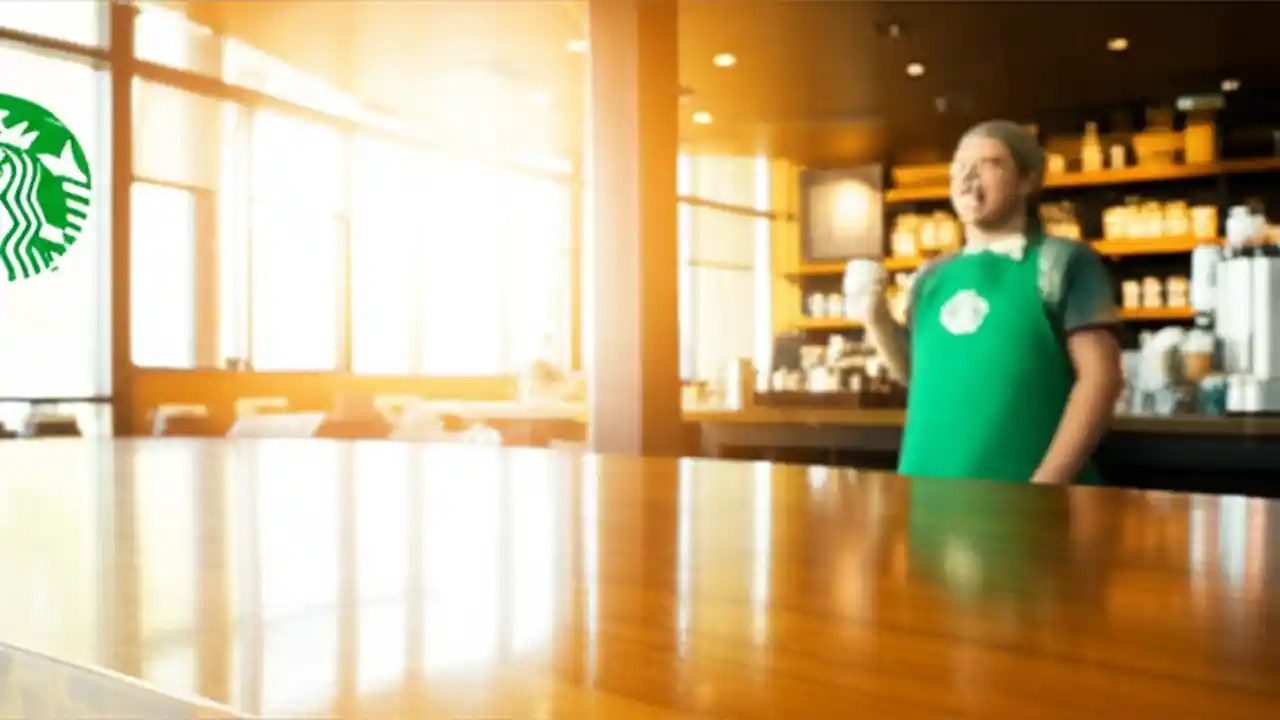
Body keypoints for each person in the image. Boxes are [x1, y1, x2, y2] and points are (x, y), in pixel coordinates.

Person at [866, 120, 1123, 485]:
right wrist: (874, 316)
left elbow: (1101, 378)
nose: (968, 176)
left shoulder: (1061, 263)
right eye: (959, 166)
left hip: (1025, 497)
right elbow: (918, 374)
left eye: (989, 163)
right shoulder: (929, 277)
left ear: (1027, 180)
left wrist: (1046, 485)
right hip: (924, 491)